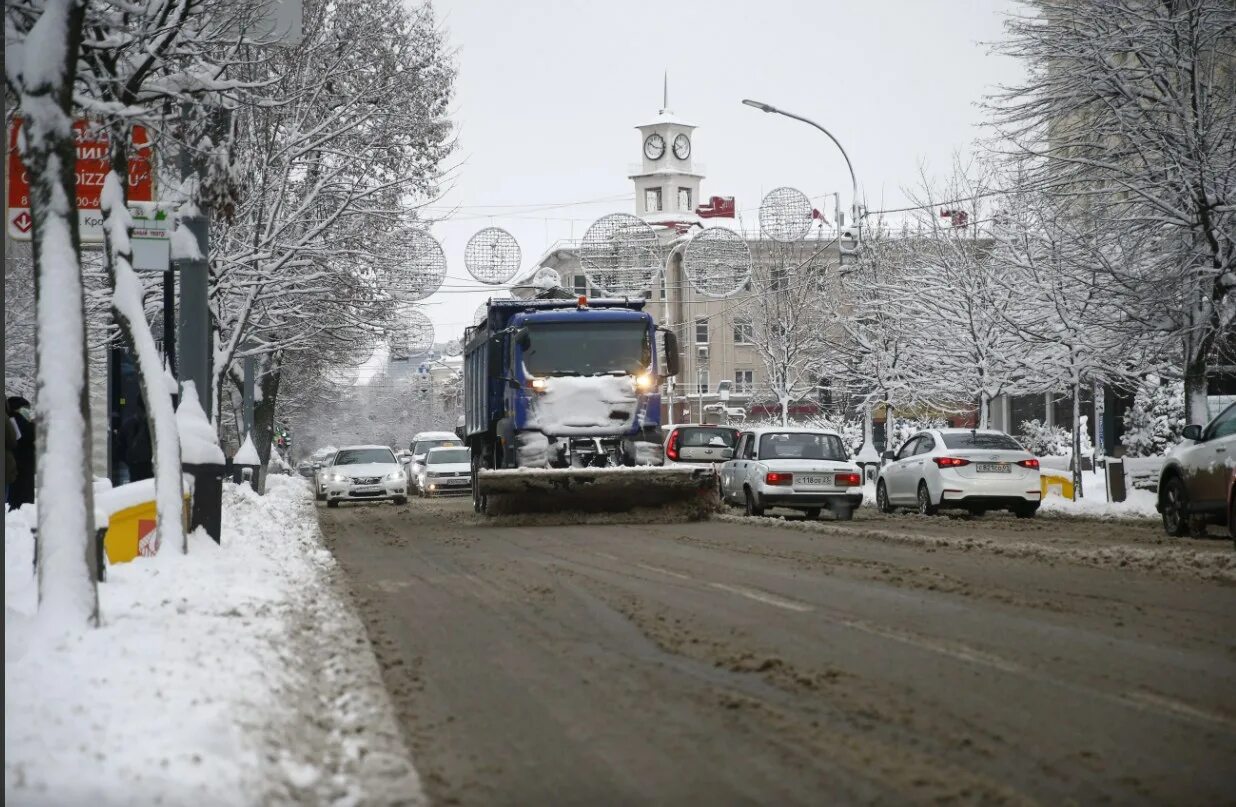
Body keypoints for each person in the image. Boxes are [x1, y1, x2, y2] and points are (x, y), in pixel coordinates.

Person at [7, 396, 36, 507]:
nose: (28, 412)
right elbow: (27, 435)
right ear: (17, 409)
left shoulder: (15, 419)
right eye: (25, 409)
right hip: (21, 465)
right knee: (20, 500)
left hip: (21, 465)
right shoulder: (15, 419)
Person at [120, 397, 153, 482]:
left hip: (134, 466)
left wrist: (129, 459)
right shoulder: (154, 423)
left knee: (136, 490)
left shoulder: (128, 423)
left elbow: (119, 447)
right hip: (150, 465)